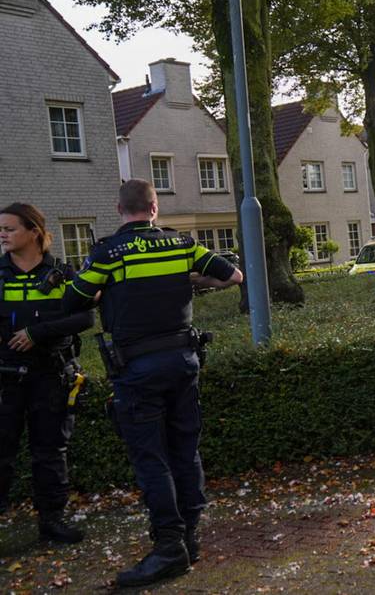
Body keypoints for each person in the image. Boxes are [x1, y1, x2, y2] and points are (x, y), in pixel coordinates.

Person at [64, 180, 243, 587]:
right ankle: (190, 538)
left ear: (119, 209)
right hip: (183, 362)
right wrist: (192, 282)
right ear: (154, 208)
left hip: (137, 368)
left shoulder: (109, 253)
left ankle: (168, 548)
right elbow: (234, 276)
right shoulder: (182, 245)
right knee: (185, 450)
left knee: (152, 458)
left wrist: (107, 293)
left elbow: (74, 300)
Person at [0, 203, 93, 543]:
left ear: (34, 232)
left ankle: (52, 524)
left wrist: (37, 334)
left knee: (50, 452)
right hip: (5, 378)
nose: (3, 235)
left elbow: (85, 318)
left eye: (10, 229)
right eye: (2, 229)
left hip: (51, 376)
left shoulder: (62, 274)